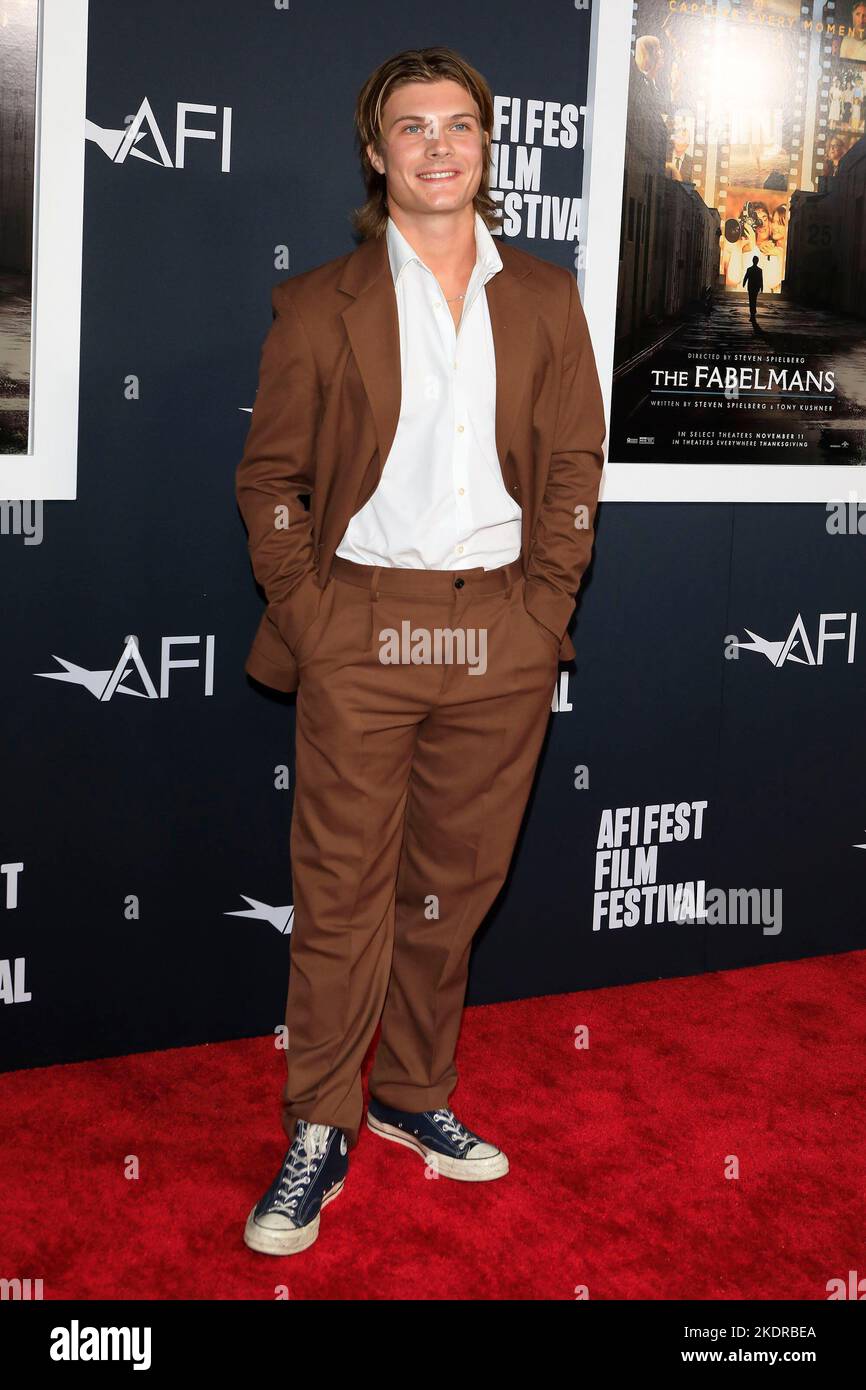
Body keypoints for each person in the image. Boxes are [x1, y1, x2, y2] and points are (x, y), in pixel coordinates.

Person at [234, 45, 606, 1257]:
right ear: (375, 150)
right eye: (411, 127)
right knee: (342, 898)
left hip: (498, 628)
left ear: (486, 148)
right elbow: (272, 480)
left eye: (458, 125)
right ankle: (318, 1122)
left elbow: (569, 476)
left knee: (449, 895)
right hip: (365, 626)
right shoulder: (317, 304)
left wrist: (543, 612)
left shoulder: (546, 300)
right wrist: (315, 620)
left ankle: (407, 1092)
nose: (437, 145)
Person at [743, 255, 764, 322]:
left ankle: (752, 313)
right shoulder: (759, 270)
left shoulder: (749, 269)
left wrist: (744, 283)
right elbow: (761, 279)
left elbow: (746, 277)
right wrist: (761, 287)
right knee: (754, 300)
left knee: (751, 300)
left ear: (753, 261)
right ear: (757, 262)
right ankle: (753, 313)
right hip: (756, 288)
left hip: (751, 287)